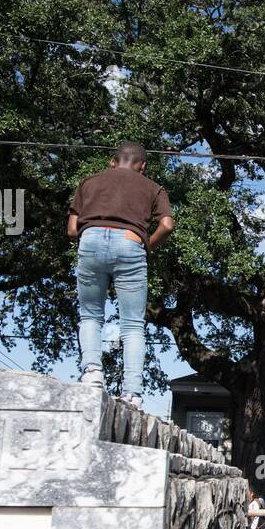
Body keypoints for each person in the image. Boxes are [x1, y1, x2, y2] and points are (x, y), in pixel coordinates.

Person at [68, 142, 175, 407]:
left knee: (91, 314)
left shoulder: (88, 183)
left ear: (112, 162)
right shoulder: (153, 187)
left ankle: (92, 373)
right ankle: (133, 393)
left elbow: (72, 229)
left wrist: (93, 235)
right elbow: (167, 225)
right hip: (131, 242)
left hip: (90, 239)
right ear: (143, 166)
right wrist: (145, 244)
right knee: (132, 324)